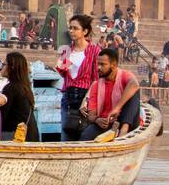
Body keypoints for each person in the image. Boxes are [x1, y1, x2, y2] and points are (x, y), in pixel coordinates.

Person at [54, 14, 100, 142]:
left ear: (85, 31)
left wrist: (86, 100)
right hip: (68, 98)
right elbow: (63, 72)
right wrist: (61, 62)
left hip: (85, 97)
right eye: (70, 28)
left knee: (84, 136)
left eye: (75, 28)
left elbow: (96, 79)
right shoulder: (67, 50)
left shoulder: (94, 51)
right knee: (66, 135)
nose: (71, 31)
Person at [81, 48, 142, 142]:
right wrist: (97, 120)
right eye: (98, 64)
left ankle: (123, 131)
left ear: (113, 65)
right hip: (107, 123)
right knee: (85, 136)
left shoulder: (124, 76)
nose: (98, 68)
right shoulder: (96, 85)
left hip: (126, 121)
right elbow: (91, 115)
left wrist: (117, 108)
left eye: (102, 65)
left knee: (134, 92)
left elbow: (134, 84)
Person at [0, 52, 39, 141]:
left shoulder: (10, 88)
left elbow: (1, 117)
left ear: (12, 68)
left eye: (4, 64)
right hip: (31, 136)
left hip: (18, 137)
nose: (2, 67)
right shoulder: (25, 88)